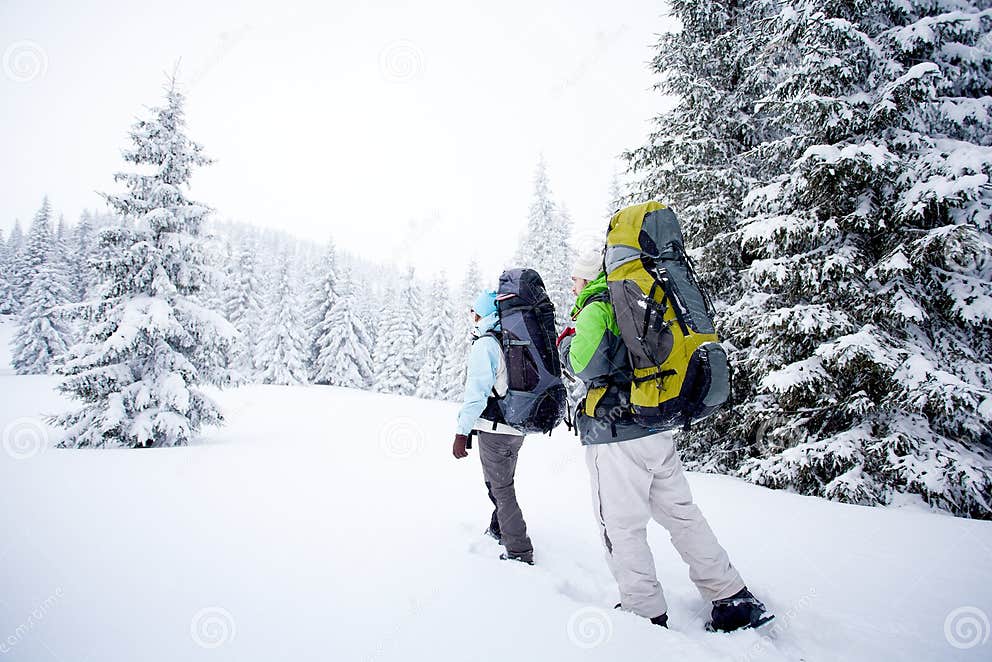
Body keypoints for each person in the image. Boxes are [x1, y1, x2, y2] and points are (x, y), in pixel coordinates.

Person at [557, 248, 770, 631]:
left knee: (620, 526)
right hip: (655, 425)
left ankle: (643, 611)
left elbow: (583, 364)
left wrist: (565, 346)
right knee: (683, 515)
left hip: (616, 435)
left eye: (575, 280)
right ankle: (730, 596)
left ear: (587, 278)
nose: (573, 288)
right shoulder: (642, 294)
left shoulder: (597, 307)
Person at [451, 290, 534, 565]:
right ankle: (499, 528)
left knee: (500, 487)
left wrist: (461, 432)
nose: (472, 318)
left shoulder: (486, 344)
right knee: (499, 483)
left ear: (485, 315)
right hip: (516, 428)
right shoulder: (511, 340)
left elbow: (476, 394)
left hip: (496, 429)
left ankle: (519, 550)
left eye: (475, 312)